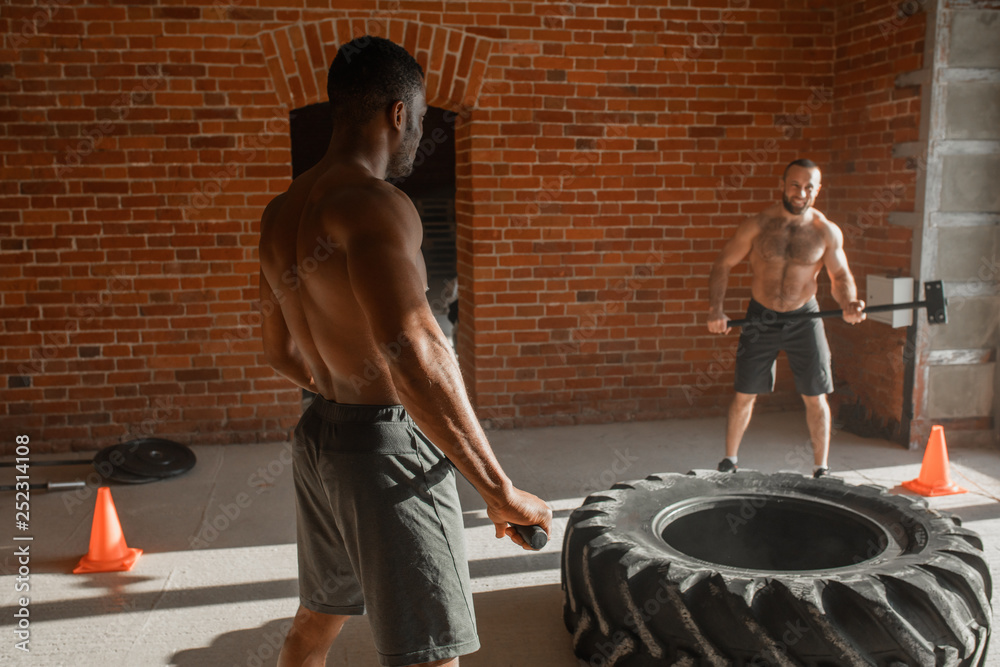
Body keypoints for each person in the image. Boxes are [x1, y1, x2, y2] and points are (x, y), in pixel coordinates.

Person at [258, 36, 552, 667]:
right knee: (430, 653)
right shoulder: (374, 204)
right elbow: (414, 348)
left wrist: (339, 380)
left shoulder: (281, 213)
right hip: (387, 450)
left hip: (319, 438)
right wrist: (499, 489)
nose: (418, 135)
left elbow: (277, 350)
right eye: (419, 120)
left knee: (316, 619)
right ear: (398, 113)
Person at [707, 159, 866, 478]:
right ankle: (729, 461)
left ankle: (821, 468)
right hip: (760, 317)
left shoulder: (825, 231)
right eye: (795, 184)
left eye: (809, 187)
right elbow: (723, 263)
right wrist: (716, 309)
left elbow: (840, 275)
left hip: (804, 317)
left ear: (817, 190)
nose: (801, 192)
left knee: (816, 395)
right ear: (783, 184)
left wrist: (849, 302)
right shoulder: (758, 225)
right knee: (744, 392)